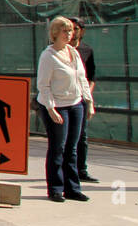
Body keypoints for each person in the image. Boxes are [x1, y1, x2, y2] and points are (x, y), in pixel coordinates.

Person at [36, 16, 95, 203]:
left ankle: (73, 188)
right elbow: (43, 85)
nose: (69, 34)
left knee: (73, 148)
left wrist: (89, 102)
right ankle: (55, 188)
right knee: (58, 147)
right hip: (56, 106)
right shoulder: (49, 55)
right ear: (55, 33)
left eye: (70, 31)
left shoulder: (73, 53)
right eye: (65, 31)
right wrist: (51, 109)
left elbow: (82, 78)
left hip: (75, 104)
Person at [70, 19, 99, 183]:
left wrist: (87, 97)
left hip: (81, 99)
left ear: (82, 31)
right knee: (66, 138)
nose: (72, 32)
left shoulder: (86, 50)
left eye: (75, 29)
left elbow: (91, 76)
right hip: (64, 99)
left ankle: (81, 170)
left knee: (82, 137)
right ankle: (65, 170)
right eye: (69, 29)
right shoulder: (60, 50)